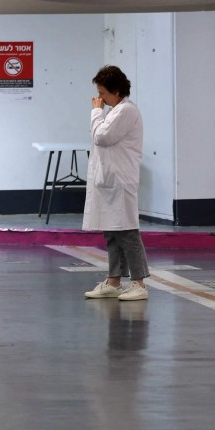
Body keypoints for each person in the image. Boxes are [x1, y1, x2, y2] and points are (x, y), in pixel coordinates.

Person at [82, 65, 149, 301]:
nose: (99, 98)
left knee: (128, 232)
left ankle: (139, 283)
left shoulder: (126, 111)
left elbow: (102, 136)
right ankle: (113, 280)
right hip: (110, 181)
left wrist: (95, 113)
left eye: (102, 93)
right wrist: (101, 113)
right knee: (111, 232)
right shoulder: (115, 110)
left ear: (117, 90)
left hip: (121, 181)